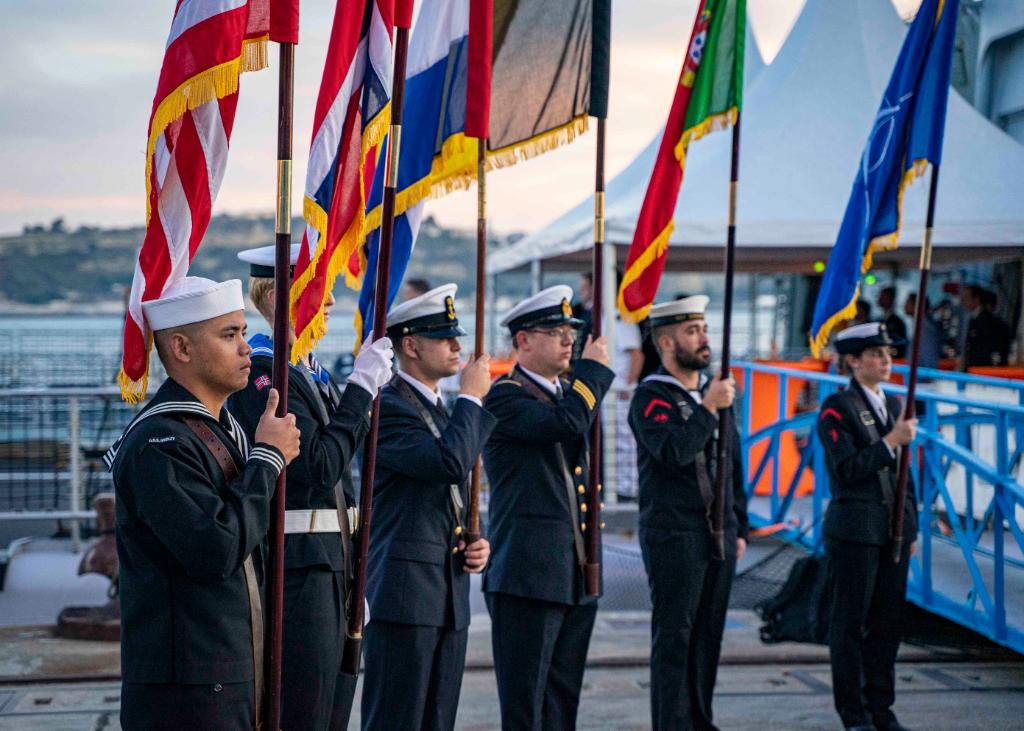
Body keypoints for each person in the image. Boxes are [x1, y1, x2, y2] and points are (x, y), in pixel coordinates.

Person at [106, 277, 301, 730]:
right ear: (182, 348)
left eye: (242, 332)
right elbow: (215, 548)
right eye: (229, 335)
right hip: (188, 689)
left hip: (228, 669)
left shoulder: (219, 429)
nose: (246, 348)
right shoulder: (160, 443)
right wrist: (267, 459)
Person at [228, 245, 395, 731]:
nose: (332, 301)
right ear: (278, 297)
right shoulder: (267, 372)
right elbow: (318, 467)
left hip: (330, 564)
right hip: (299, 571)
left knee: (332, 710)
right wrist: (360, 389)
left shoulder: (305, 371)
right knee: (305, 712)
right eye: (318, 288)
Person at [361, 284, 495, 731]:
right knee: (397, 720)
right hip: (404, 597)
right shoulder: (389, 407)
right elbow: (447, 463)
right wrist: (472, 398)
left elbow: (450, 492)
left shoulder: (437, 408)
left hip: (446, 595)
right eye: (443, 337)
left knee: (438, 720)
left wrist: (475, 539)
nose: (457, 346)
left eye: (456, 336)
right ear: (411, 346)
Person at [482, 285, 614, 729]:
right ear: (523, 340)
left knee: (561, 703)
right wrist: (592, 373)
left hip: (574, 571)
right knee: (527, 707)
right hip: (528, 576)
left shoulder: (566, 395)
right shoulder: (506, 396)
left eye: (570, 332)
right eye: (555, 332)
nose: (568, 341)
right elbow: (566, 424)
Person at [628, 295, 749, 731]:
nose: (703, 339)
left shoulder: (713, 391)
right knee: (675, 637)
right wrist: (708, 408)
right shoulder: (651, 397)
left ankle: (701, 721)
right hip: (675, 532)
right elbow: (673, 452)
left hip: (719, 532)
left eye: (704, 330)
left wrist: (739, 524)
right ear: (666, 342)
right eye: (691, 331)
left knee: (708, 635)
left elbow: (731, 463)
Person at [818, 322, 918, 731]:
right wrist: (890, 442)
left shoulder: (893, 404)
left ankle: (881, 707)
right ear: (853, 361)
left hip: (893, 529)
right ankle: (854, 712)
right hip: (856, 529)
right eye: (876, 354)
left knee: (887, 623)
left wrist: (912, 526)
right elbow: (846, 469)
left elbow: (906, 475)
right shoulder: (836, 408)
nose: (886, 360)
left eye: (888, 353)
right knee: (850, 624)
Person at [960, 284, 1007, 368]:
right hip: (974, 368)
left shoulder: (989, 321)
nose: (963, 301)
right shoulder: (974, 319)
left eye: (966, 297)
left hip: (982, 368)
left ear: (976, 299)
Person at [877, 287, 907, 358]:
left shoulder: (896, 322)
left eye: (883, 296)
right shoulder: (880, 319)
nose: (879, 299)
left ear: (890, 299)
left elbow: (897, 345)